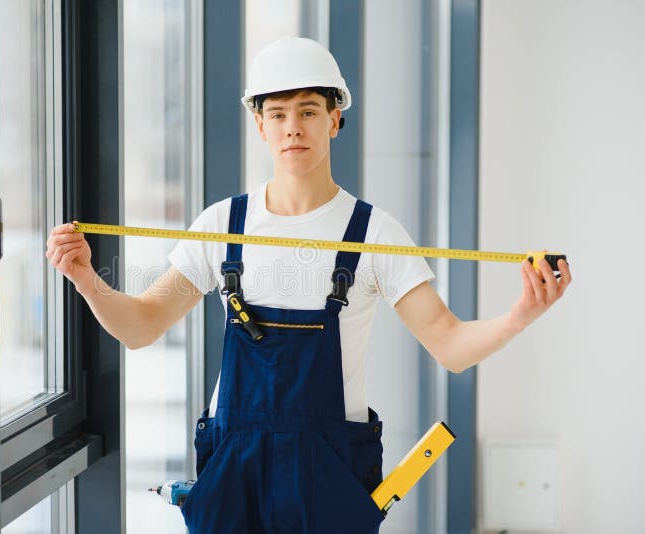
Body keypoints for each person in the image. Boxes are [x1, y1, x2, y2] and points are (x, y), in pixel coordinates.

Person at [46, 36, 571, 533]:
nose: (292, 127)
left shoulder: (374, 234)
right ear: (260, 126)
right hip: (234, 471)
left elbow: (450, 345)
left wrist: (519, 315)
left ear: (334, 120)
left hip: (330, 475)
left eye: (308, 112)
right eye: (277, 114)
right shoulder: (222, 225)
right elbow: (141, 327)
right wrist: (88, 279)